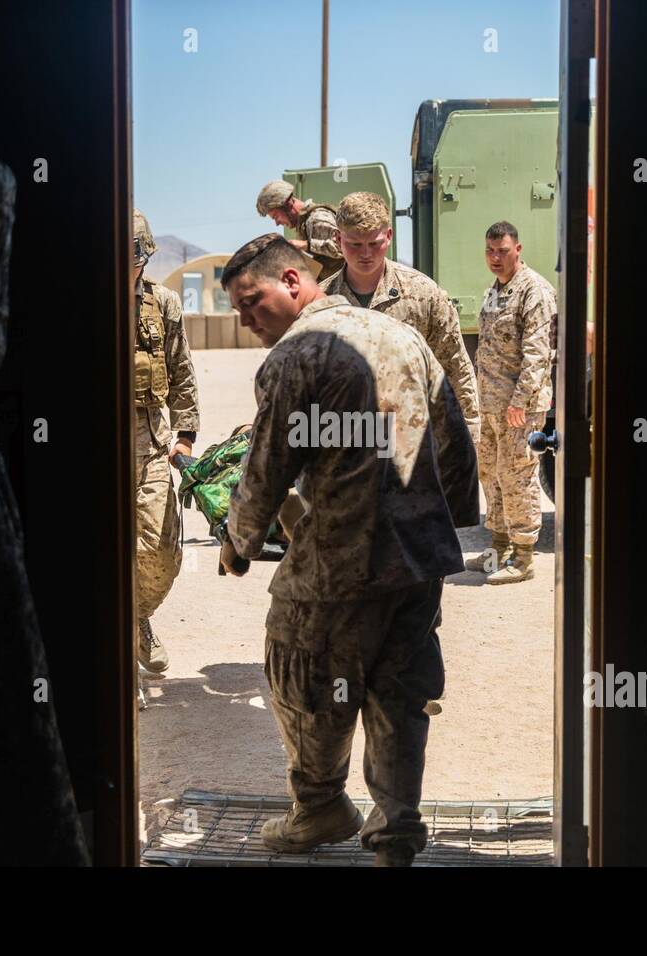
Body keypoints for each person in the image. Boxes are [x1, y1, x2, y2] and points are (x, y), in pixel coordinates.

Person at [218, 234, 478, 866]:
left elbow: (265, 470)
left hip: (340, 564)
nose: (246, 318)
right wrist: (451, 522)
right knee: (400, 692)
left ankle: (319, 806)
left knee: (298, 669)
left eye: (252, 301)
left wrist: (238, 543)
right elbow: (451, 436)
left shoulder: (294, 357)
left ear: (292, 280)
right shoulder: (398, 335)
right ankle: (395, 833)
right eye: (237, 310)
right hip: (416, 561)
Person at [322, 191, 481, 443]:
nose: (366, 254)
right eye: (355, 244)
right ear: (337, 238)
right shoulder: (322, 303)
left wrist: (468, 433)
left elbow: (455, 367)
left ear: (389, 236)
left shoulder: (424, 295)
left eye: (375, 244)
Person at [465, 221, 555, 584]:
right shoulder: (494, 291)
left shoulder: (534, 291)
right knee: (492, 474)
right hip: (492, 405)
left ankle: (523, 557)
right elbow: (487, 349)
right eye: (490, 251)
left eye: (502, 251)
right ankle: (498, 548)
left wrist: (520, 401)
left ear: (517, 249)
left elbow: (537, 353)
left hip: (520, 407)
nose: (495, 258)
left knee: (518, 476)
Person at [132, 209, 200, 677]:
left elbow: (181, 371)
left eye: (134, 257)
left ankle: (136, 618)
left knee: (159, 551)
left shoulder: (163, 304)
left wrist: (187, 434)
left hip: (150, 443)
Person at [255, 179, 345, 279]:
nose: (277, 223)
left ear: (287, 205)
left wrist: (306, 245)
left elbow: (343, 248)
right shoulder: (306, 224)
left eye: (276, 216)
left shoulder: (316, 218)